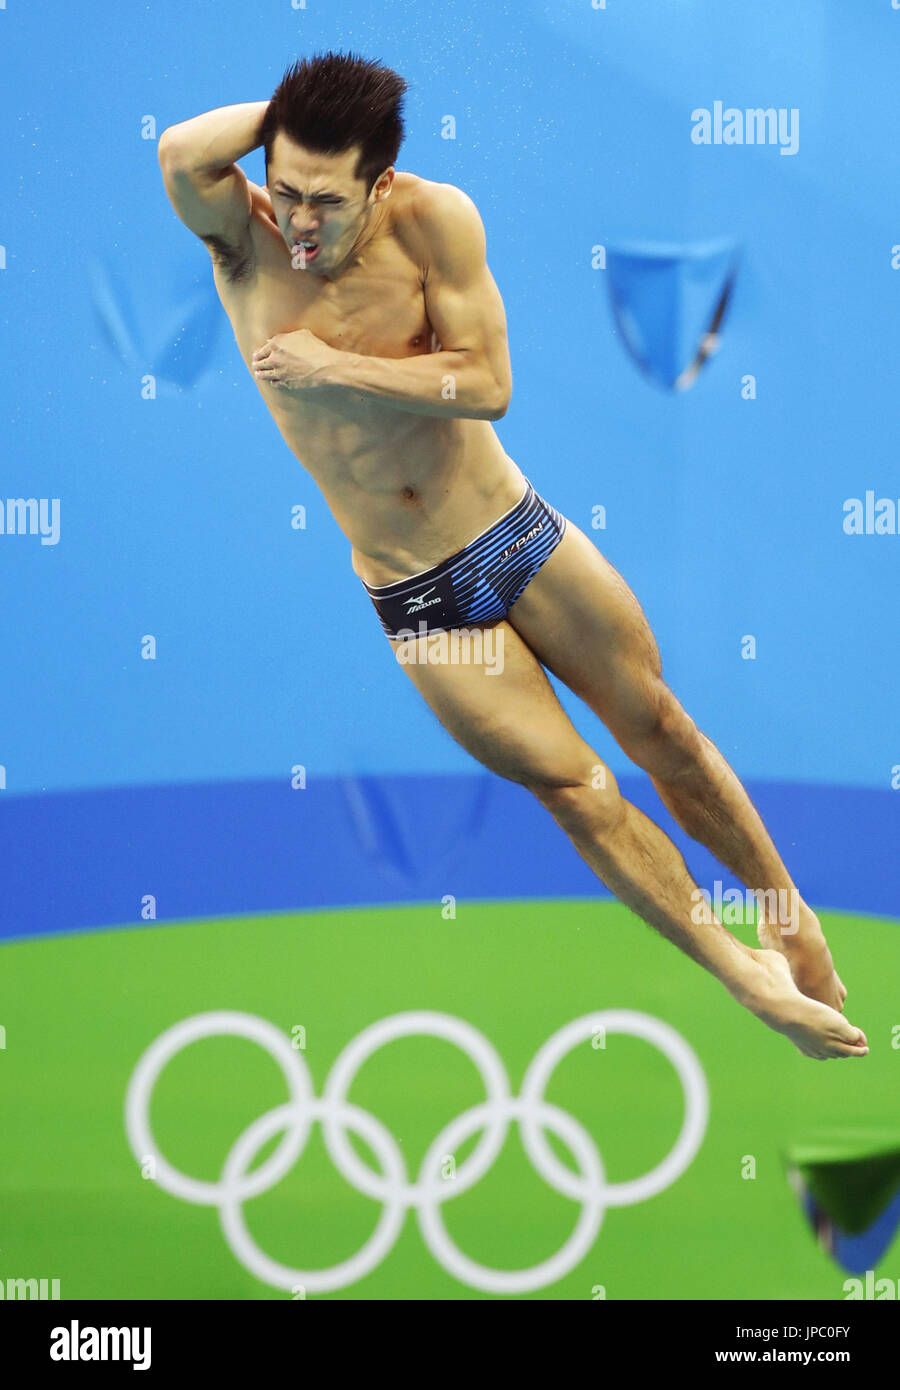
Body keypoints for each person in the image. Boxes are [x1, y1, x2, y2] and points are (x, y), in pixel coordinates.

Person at [157, 50, 867, 1061]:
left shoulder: (437, 221)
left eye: (327, 200)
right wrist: (292, 116)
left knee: (659, 726)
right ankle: (746, 979)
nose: (300, 223)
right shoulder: (246, 244)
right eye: (285, 190)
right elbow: (180, 152)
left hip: (513, 533)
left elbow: (487, 386)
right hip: (417, 592)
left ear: (383, 184)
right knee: (578, 790)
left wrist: (333, 366)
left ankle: (788, 916)